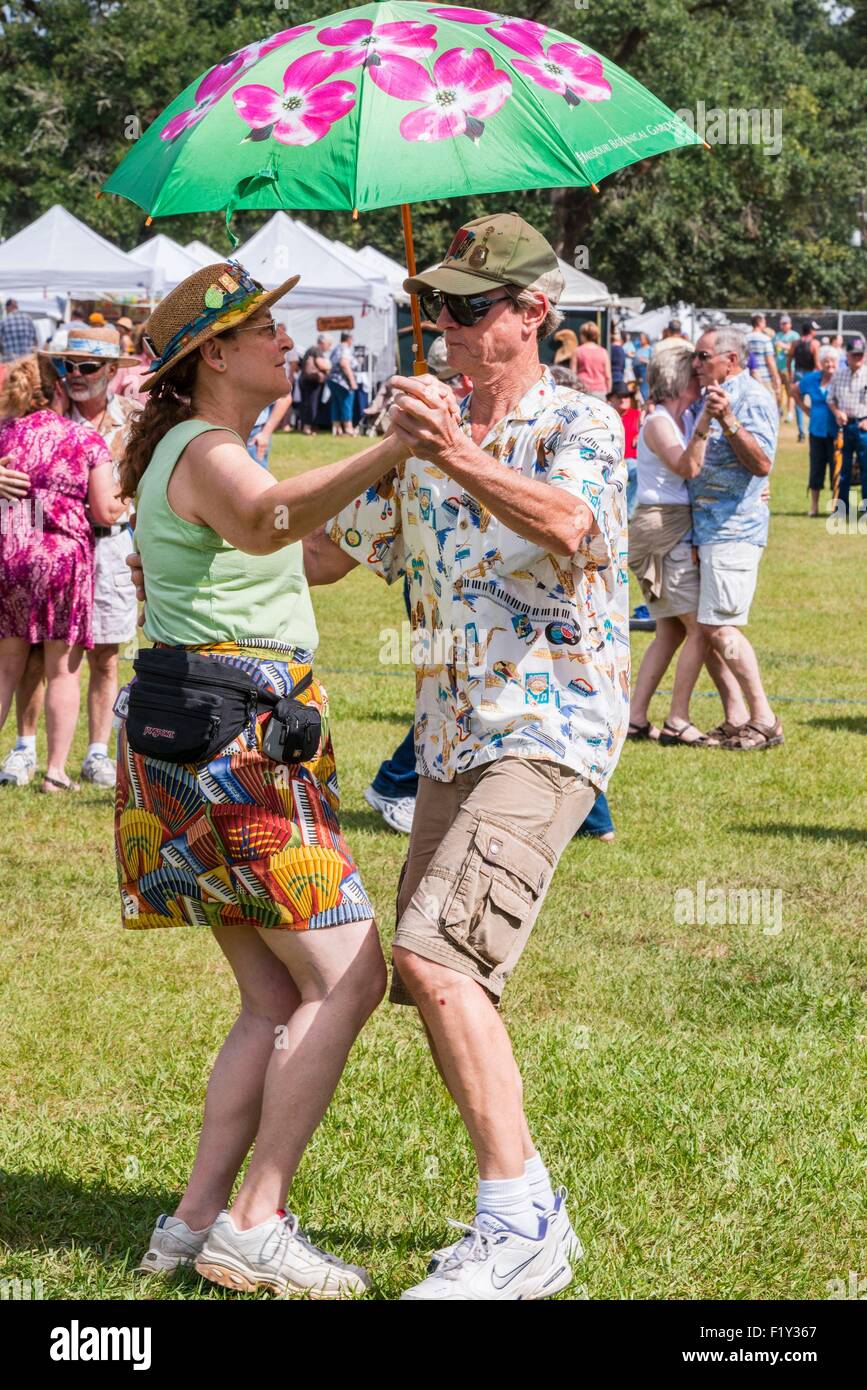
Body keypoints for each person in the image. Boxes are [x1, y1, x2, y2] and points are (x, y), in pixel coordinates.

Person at [309, 210, 629, 1299]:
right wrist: (235, 447)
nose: (443, 324)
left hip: (549, 723)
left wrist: (450, 448)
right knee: (429, 966)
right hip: (450, 736)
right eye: (436, 304)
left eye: (470, 308)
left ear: (534, 313)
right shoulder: (424, 433)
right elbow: (316, 555)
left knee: (441, 956)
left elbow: (573, 526)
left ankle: (519, 1218)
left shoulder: (576, 421)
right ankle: (524, 1206)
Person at [121, 259, 412, 1297]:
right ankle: (257, 1220)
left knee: (273, 996)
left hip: (189, 742)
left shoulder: (206, 451)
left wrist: (390, 525)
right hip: (242, 745)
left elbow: (295, 555)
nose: (286, 341)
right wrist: (396, 445)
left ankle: (191, 1223)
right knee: (351, 978)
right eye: (264, 328)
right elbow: (264, 524)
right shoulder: (207, 451)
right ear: (212, 355)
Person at [0, 323, 140, 789]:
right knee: (39, 656)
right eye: (69, 365)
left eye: (88, 366)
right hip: (59, 549)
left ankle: (97, 753)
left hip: (110, 546)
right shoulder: (48, 415)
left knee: (104, 657)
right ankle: (27, 749)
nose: (76, 374)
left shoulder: (136, 420)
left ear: (111, 371)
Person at [364, 336, 472, 835]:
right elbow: (325, 552)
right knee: (450, 684)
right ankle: (393, 782)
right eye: (450, 381)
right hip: (432, 586)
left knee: (459, 684)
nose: (459, 388)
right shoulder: (413, 441)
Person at [627, 345, 743, 745]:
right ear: (678, 381)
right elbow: (688, 467)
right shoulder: (659, 423)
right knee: (700, 628)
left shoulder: (673, 419)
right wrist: (706, 423)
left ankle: (635, 719)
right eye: (695, 377)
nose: (702, 381)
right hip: (662, 529)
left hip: (667, 528)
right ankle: (678, 719)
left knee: (669, 632)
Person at [687, 326, 782, 749]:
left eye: (704, 356)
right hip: (708, 529)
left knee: (718, 627)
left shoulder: (753, 398)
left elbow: (762, 463)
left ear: (732, 360)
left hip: (735, 530)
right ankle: (736, 716)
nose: (696, 363)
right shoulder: (708, 397)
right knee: (707, 629)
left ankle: (765, 719)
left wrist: (728, 420)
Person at [792, 347, 840, 515]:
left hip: (837, 432)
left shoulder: (840, 379)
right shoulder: (811, 379)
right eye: (826, 361)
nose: (830, 364)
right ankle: (814, 507)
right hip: (816, 431)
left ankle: (836, 507)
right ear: (820, 363)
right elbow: (794, 390)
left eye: (833, 361)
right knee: (816, 468)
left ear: (838, 363)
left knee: (837, 470)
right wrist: (804, 408)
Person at [826, 335, 867, 518]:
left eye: (860, 355)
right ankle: (842, 509)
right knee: (843, 468)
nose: (857, 358)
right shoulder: (838, 375)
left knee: (866, 469)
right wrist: (837, 413)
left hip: (864, 427)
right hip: (844, 428)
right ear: (847, 356)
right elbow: (830, 399)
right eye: (854, 355)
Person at [789, 321, 821, 442]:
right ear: (810, 330)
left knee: (798, 403)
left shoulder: (795, 343)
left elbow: (789, 359)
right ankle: (813, 429)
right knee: (815, 401)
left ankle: (801, 432)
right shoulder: (815, 344)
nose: (816, 332)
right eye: (815, 329)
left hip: (798, 373)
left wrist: (790, 374)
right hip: (810, 374)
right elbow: (817, 363)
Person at [298, 334, 331, 435]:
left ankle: (305, 426)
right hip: (312, 381)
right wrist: (329, 366)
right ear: (323, 343)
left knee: (306, 403)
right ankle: (307, 428)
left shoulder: (310, 349)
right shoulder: (316, 350)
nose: (329, 347)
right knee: (311, 404)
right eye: (329, 344)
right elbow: (322, 365)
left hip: (305, 380)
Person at [745, 313, 781, 403]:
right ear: (760, 323)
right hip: (764, 377)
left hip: (749, 377)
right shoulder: (765, 339)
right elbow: (770, 361)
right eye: (764, 322)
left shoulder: (745, 338)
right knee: (769, 403)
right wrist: (776, 377)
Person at [571, 319, 611, 397]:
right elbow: (608, 376)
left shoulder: (577, 351)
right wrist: (609, 393)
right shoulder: (603, 352)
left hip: (583, 389)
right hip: (601, 390)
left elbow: (572, 375)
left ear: (583, 335)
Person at [328, 331, 357, 435]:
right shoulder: (345, 349)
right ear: (349, 339)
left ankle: (336, 429)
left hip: (332, 380)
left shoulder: (336, 348)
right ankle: (348, 428)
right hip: (342, 381)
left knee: (335, 403)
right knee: (346, 403)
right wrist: (352, 380)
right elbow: (344, 363)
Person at [773, 314, 799, 422]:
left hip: (789, 368)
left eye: (786, 323)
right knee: (777, 391)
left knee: (790, 392)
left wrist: (784, 346)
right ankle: (779, 410)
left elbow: (796, 349)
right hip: (777, 368)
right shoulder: (777, 335)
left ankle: (789, 413)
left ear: (790, 324)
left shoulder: (794, 335)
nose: (784, 325)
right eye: (782, 323)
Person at [632, 332, 651, 400]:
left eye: (642, 338)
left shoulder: (650, 349)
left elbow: (653, 362)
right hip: (636, 373)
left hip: (644, 372)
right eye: (639, 338)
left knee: (644, 391)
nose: (640, 340)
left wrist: (645, 360)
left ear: (646, 339)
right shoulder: (638, 349)